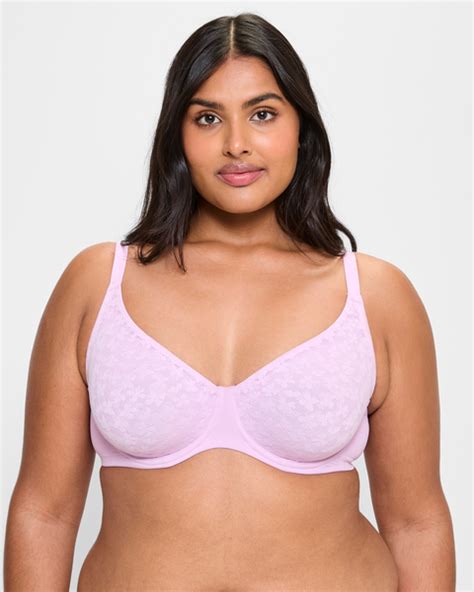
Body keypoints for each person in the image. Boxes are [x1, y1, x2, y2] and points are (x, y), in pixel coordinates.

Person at [4, 12, 455, 592]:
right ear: (177, 135)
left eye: (263, 114)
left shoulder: (376, 297)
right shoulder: (98, 285)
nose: (236, 143)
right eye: (208, 117)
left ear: (301, 128)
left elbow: (416, 522)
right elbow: (44, 513)